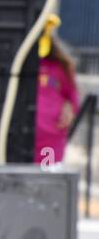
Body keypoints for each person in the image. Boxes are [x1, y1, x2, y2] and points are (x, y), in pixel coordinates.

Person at [35, 14, 80, 166]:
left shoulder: (60, 66)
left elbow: (72, 97)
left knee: (47, 180)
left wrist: (69, 109)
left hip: (50, 138)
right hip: (20, 135)